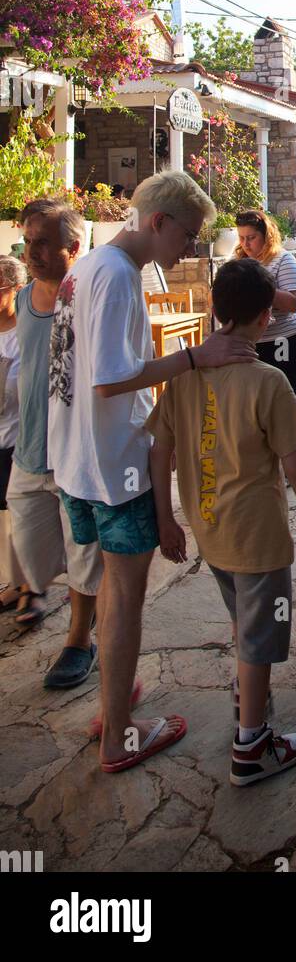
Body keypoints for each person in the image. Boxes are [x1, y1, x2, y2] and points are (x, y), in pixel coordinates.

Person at [47, 171, 257, 774]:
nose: (189, 250)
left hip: (79, 460)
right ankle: (119, 737)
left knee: (114, 590)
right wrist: (196, 356)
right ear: (157, 222)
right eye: (187, 236)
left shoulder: (85, 267)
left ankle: (114, 701)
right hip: (113, 466)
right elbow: (110, 377)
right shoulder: (114, 275)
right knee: (126, 599)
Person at [146, 256, 296, 786]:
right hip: (259, 537)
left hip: (210, 529)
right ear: (266, 316)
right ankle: (251, 745)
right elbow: (294, 462)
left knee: (243, 621)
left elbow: (161, 451)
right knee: (260, 636)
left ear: (215, 308)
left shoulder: (184, 376)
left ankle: (250, 697)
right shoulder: (267, 381)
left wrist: (166, 519)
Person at [5, 202, 103, 685]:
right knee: (33, 552)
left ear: (74, 248)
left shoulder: (88, 300)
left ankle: (80, 640)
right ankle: (41, 598)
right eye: (29, 240)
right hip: (28, 451)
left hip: (74, 456)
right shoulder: (22, 300)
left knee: (85, 555)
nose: (32, 251)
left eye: (44, 242)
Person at [234, 209, 296, 396]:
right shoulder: (237, 261)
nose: (245, 244)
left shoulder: (284, 260)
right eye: (241, 238)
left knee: (282, 396)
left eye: (251, 237)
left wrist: (258, 286)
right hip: (252, 341)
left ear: (266, 235)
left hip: (284, 339)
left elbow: (294, 303)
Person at [0, 256, 28, 620]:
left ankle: (30, 588)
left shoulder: (26, 334)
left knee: (21, 514)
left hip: (19, 437)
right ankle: (15, 583)